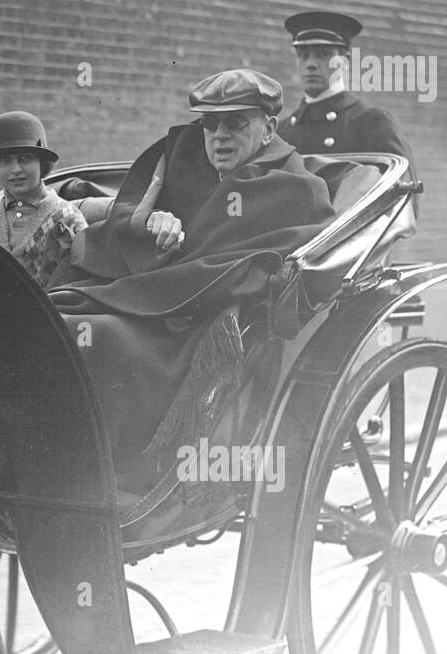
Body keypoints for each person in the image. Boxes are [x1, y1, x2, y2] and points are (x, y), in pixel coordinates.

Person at [49, 69, 335, 468]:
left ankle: (102, 470)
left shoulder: (296, 189)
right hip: (151, 299)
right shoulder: (187, 162)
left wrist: (161, 270)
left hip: (196, 322)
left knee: (91, 338)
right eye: (209, 123)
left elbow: (252, 266)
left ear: (268, 128)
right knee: (45, 319)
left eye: (236, 122)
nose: (219, 135)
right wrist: (152, 225)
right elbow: (126, 221)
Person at [276, 11, 416, 173]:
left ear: (344, 61)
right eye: (303, 55)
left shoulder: (371, 122)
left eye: (322, 55)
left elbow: (402, 186)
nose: (310, 64)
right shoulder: (282, 131)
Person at [0, 110, 86, 289]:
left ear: (41, 163)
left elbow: (83, 283)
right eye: (4, 161)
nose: (15, 169)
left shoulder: (67, 217)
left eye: (25, 159)